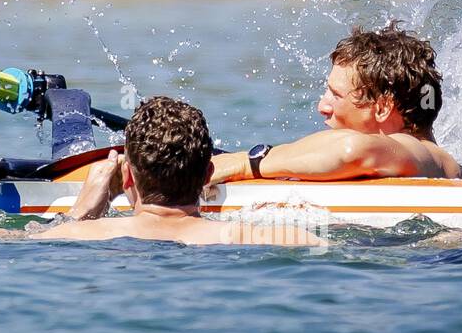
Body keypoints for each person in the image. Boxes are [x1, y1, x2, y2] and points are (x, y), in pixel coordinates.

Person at [31, 96, 322, 246]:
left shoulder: (78, 235)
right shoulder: (257, 237)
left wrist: (79, 215)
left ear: (128, 176)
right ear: (208, 174)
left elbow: (1, 242)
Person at [210, 25, 462, 184]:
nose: (322, 107)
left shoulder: (419, 151)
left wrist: (247, 164)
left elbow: (352, 150)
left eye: (336, 95)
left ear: (382, 107)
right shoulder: (442, 166)